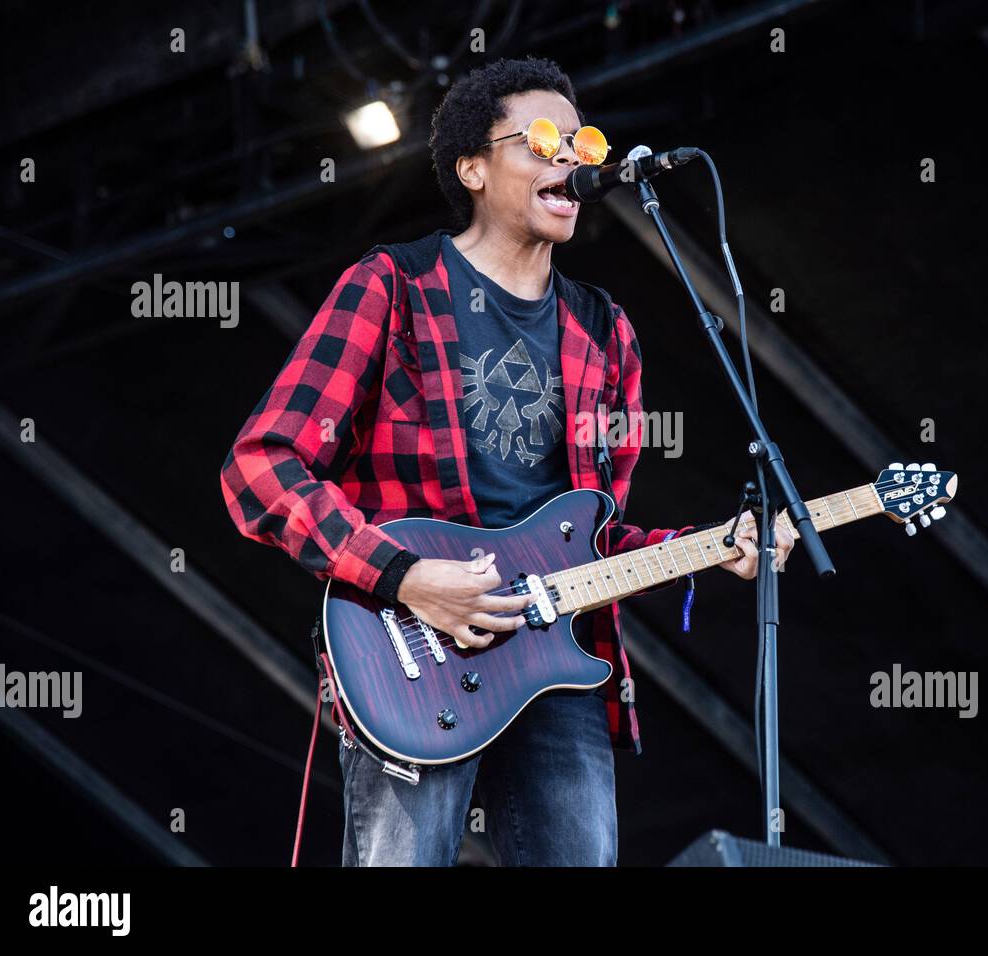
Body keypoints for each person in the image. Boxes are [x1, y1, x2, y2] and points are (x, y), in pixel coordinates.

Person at [220, 57, 794, 866]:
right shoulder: (394, 286)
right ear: (474, 167)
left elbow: (596, 541)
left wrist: (714, 544)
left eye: (582, 142)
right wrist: (405, 575)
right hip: (406, 652)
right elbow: (260, 465)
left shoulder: (606, 331)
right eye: (544, 140)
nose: (572, 159)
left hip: (554, 661)